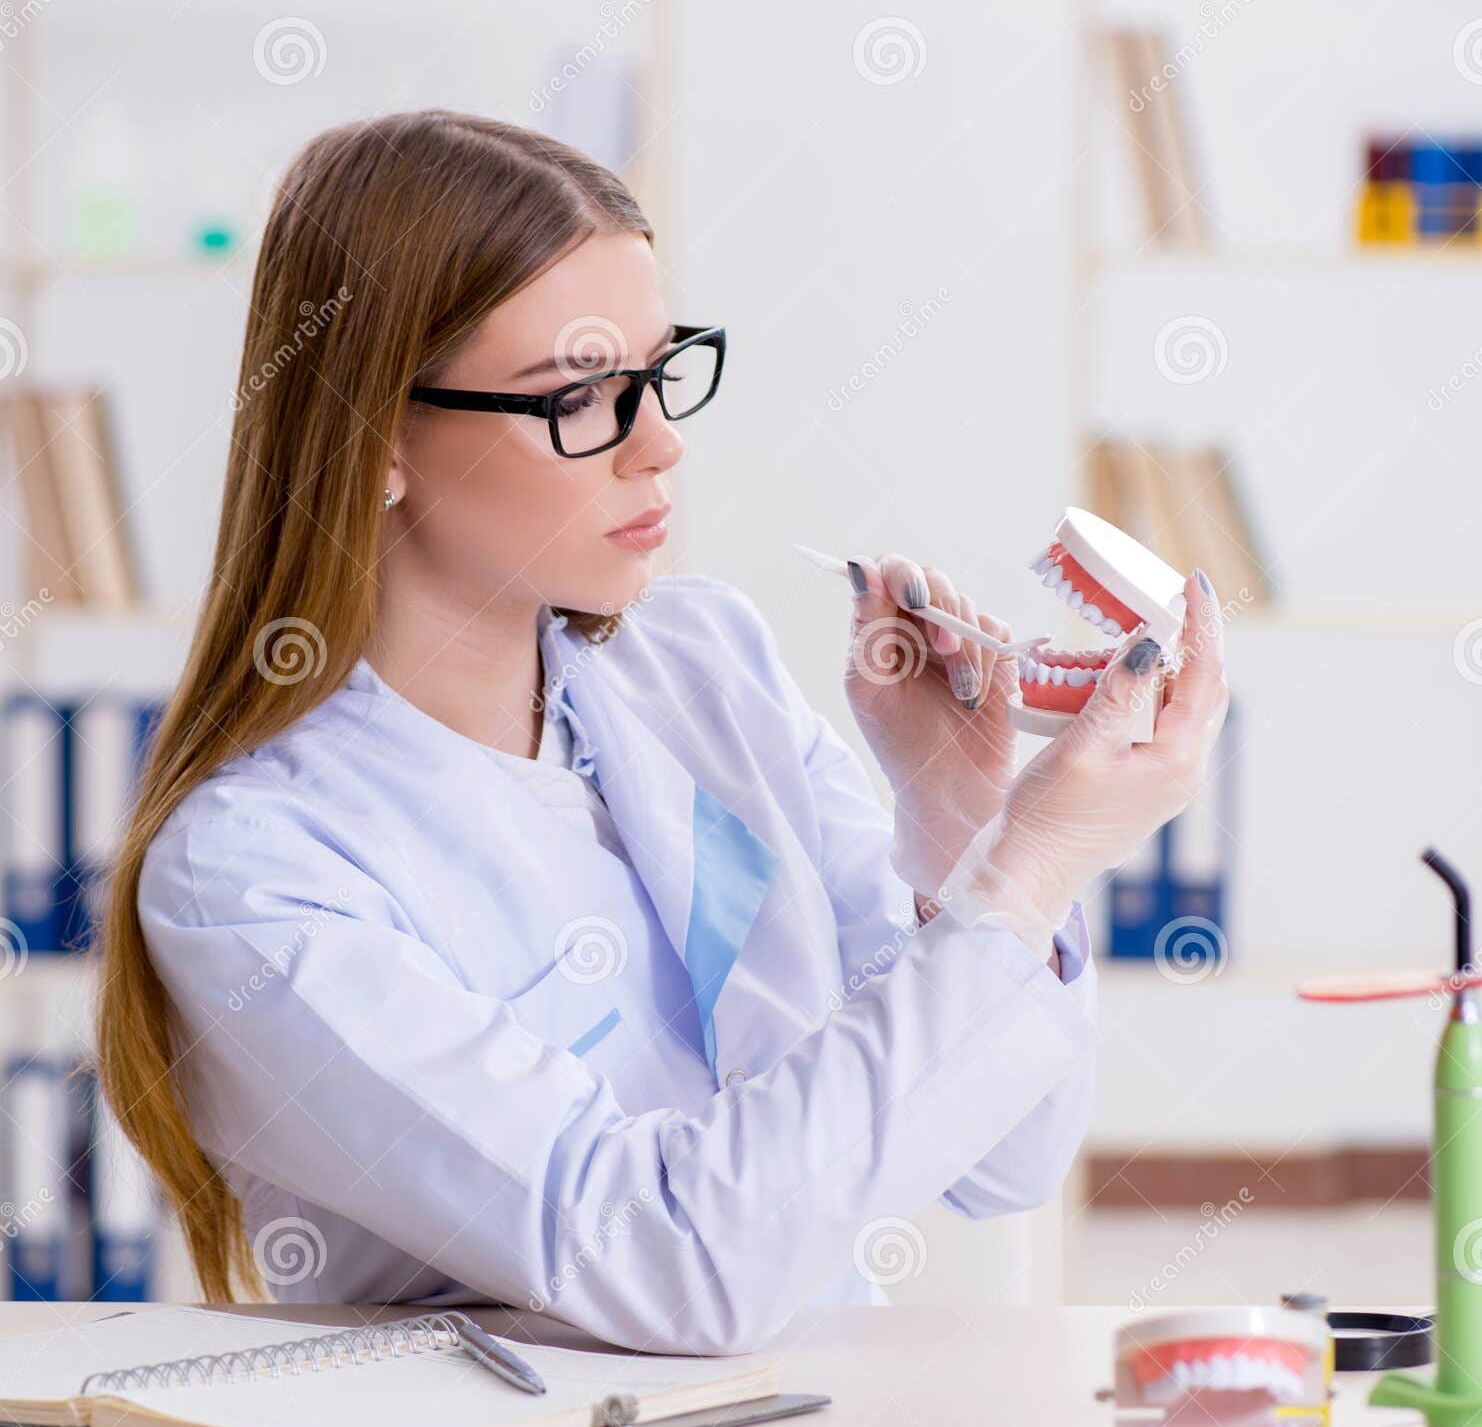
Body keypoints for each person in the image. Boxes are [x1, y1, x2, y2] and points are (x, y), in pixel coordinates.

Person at [96, 110, 1228, 1354]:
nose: (659, 445)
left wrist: (957, 823)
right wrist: (1030, 872)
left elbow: (1005, 1155)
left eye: (657, 370)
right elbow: (678, 1262)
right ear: (374, 440)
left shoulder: (701, 663)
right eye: (579, 395)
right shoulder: (256, 874)